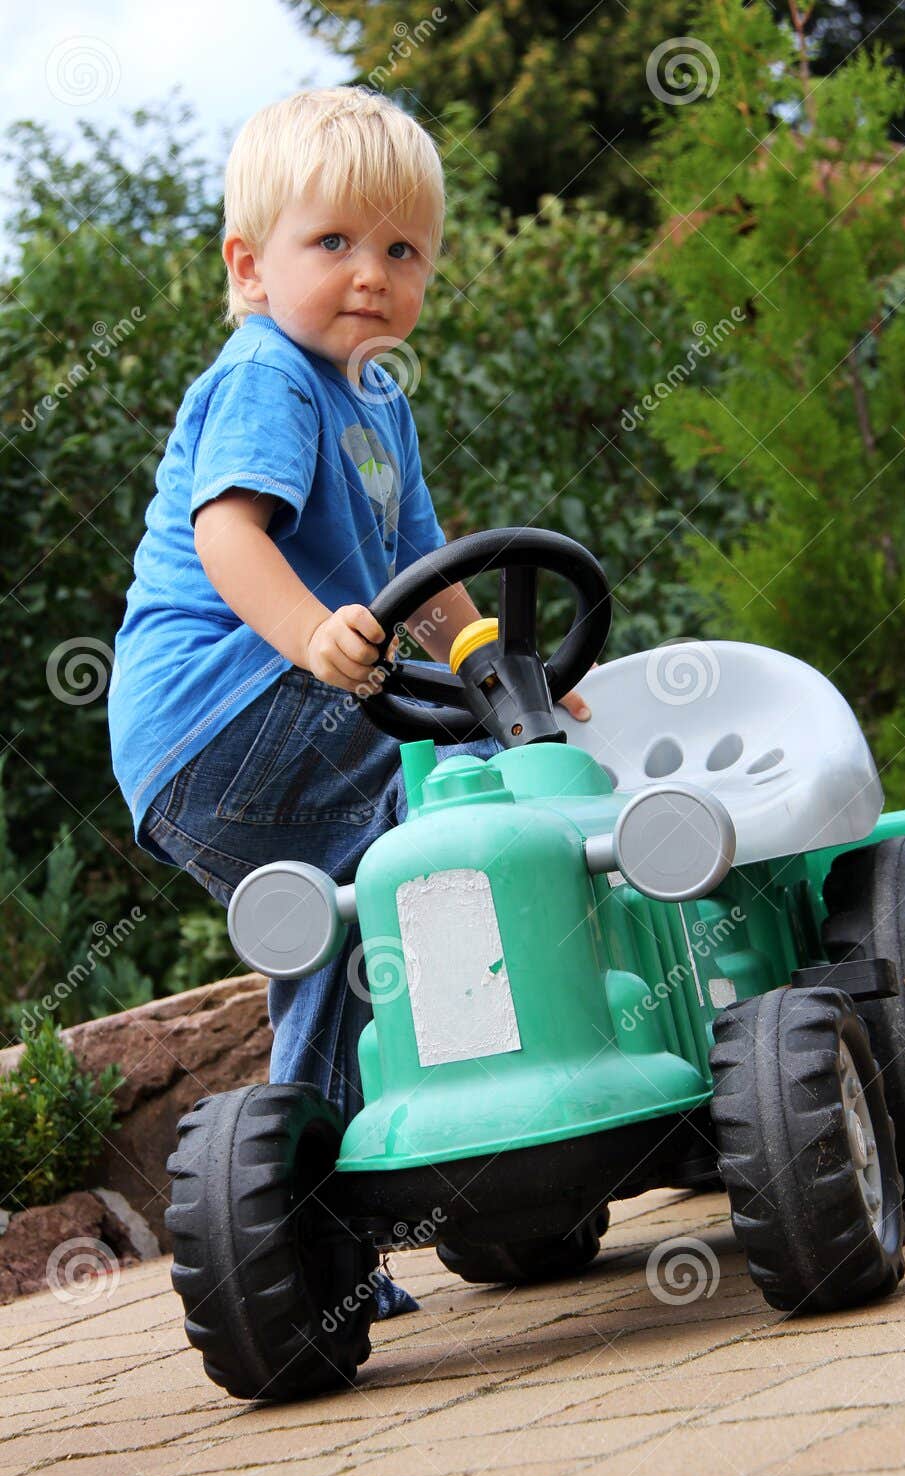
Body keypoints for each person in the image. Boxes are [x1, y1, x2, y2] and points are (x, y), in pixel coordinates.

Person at [107, 86, 590, 1319]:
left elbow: (427, 579)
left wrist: (505, 680)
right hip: (224, 712)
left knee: (343, 935)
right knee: (445, 817)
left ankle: (304, 1233)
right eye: (332, 244)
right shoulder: (268, 374)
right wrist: (309, 634)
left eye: (401, 249)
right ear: (250, 266)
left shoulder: (380, 401)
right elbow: (228, 538)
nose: (369, 275)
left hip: (243, 730)